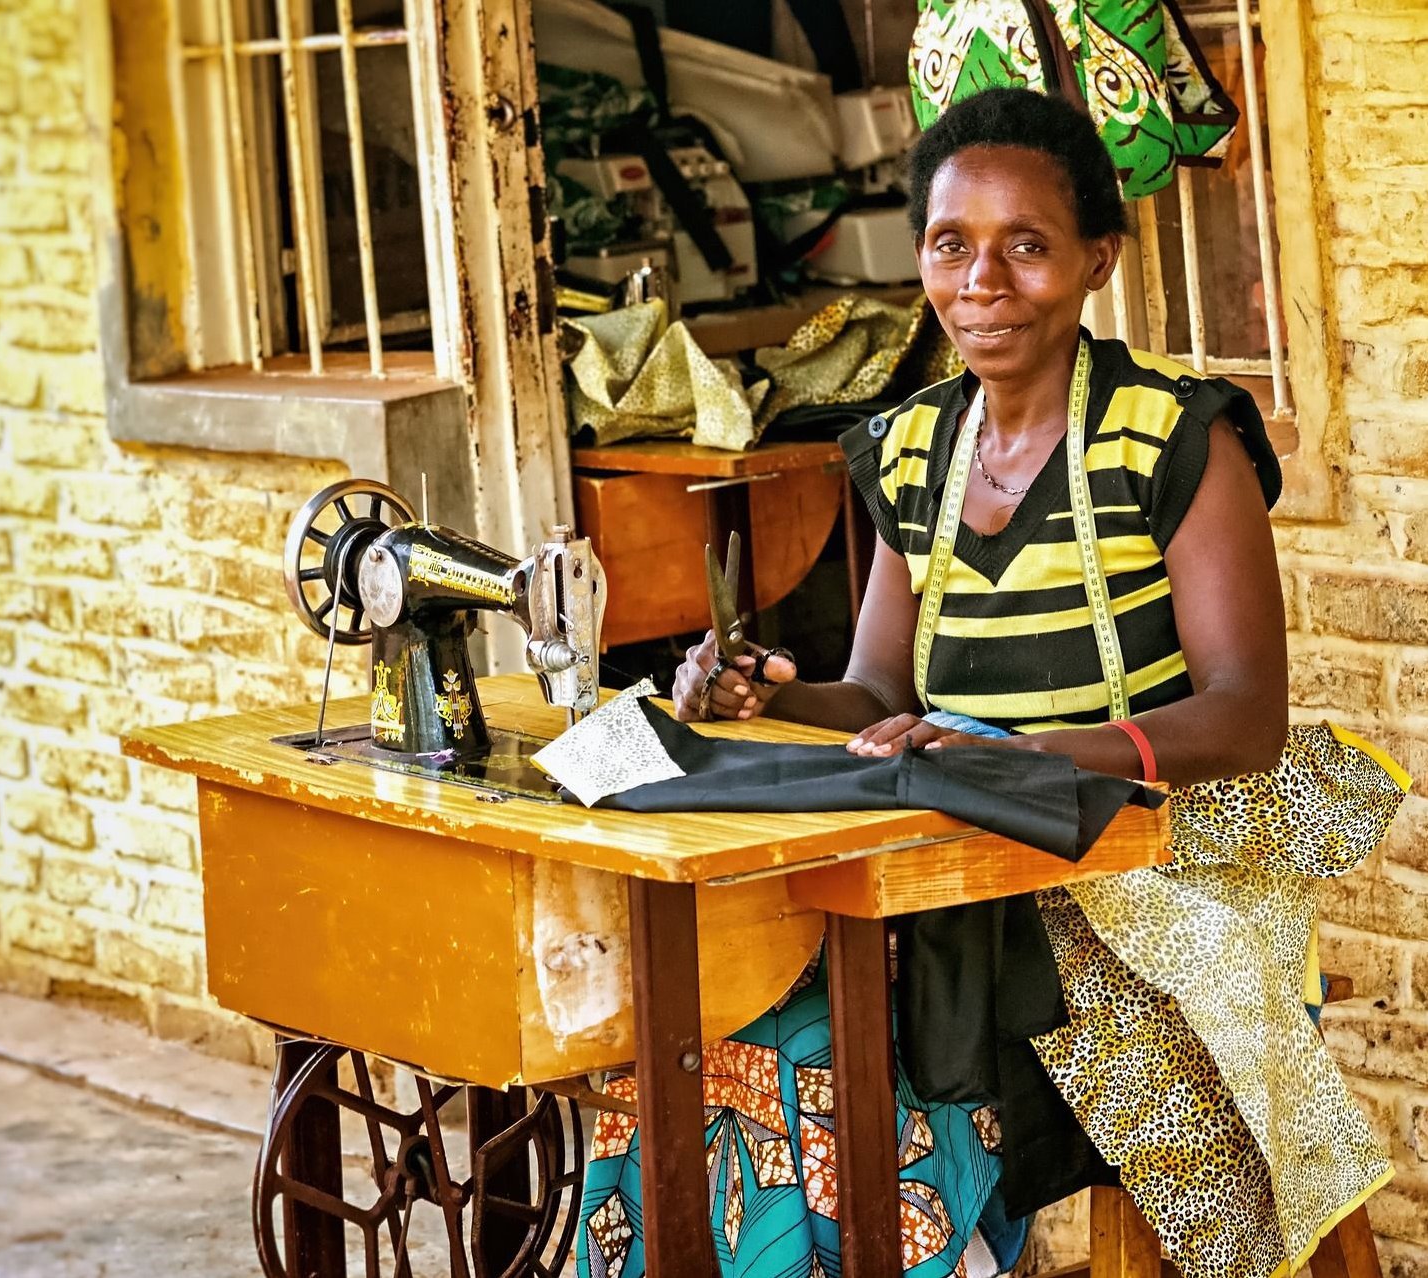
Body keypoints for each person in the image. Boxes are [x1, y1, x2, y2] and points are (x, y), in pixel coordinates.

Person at [576, 87, 1389, 1278]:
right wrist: (768, 691)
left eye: (1028, 246)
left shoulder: (1176, 439)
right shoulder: (914, 450)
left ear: (1096, 260)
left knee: (840, 1070)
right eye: (953, 245)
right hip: (958, 879)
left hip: (1144, 880)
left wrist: (1032, 757)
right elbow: (871, 692)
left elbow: (1242, 717)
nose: (985, 281)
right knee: (703, 1045)